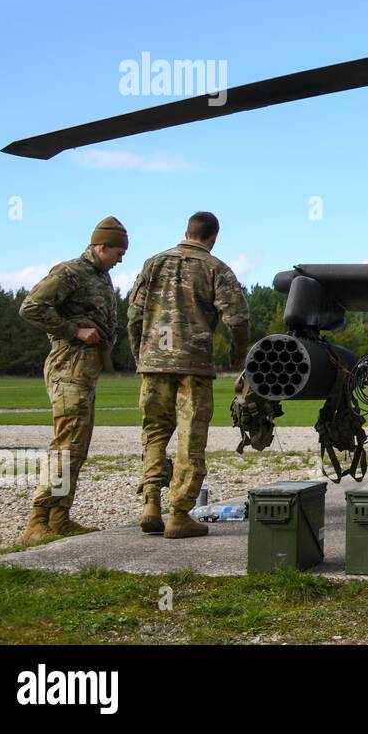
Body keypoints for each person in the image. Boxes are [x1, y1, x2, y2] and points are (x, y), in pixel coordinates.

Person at [128, 211, 249, 539]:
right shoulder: (215, 268)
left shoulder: (152, 264)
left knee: (154, 433)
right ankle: (178, 514)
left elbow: (134, 315)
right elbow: (237, 319)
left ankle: (150, 505)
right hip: (192, 367)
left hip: (154, 364)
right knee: (190, 439)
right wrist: (237, 354)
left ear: (186, 231)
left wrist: (141, 356)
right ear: (213, 236)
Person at [18, 216, 129, 544]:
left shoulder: (101, 276)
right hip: (68, 369)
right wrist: (74, 330)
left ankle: (59, 517)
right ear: (101, 246)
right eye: (118, 252)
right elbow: (31, 307)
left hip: (86, 372)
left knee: (77, 447)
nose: (121, 258)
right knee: (65, 445)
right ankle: (37, 520)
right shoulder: (71, 272)